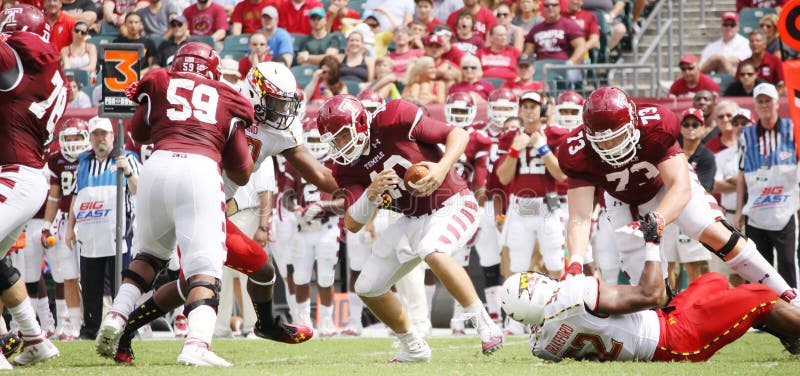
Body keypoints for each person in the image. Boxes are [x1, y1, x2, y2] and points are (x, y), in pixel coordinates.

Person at [100, 60, 336, 365]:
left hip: (210, 208)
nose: (281, 111)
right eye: (275, 102)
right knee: (195, 282)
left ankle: (264, 325)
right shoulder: (224, 102)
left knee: (260, 271)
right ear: (255, 93)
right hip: (196, 201)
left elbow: (318, 173)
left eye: (283, 103)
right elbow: (241, 172)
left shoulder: (277, 127)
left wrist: (358, 183)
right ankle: (136, 330)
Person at [558, 86, 800, 308]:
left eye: (618, 136)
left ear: (632, 123)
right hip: (622, 200)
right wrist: (577, 261)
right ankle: (667, 323)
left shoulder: (656, 123)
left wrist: (659, 218)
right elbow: (579, 217)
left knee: (711, 230)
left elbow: (680, 187)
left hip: (667, 184)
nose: (611, 145)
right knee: (649, 287)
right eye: (604, 140)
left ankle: (787, 294)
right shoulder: (576, 151)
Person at [95, 42, 253, 367]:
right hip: (199, 169)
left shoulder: (162, 81)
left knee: (149, 255)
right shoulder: (224, 93)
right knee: (205, 268)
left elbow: (139, 134)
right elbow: (242, 166)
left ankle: (116, 314)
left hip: (157, 164)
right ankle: (196, 343)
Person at [317, 94, 504, 362]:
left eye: (343, 136)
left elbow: (458, 134)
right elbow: (352, 223)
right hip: (411, 217)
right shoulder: (346, 168)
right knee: (368, 286)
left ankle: (486, 324)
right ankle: (413, 346)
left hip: (453, 202)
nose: (339, 146)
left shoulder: (394, 117)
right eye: (333, 141)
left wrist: (441, 168)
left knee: (432, 249)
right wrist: (371, 194)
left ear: (359, 123)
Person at [501, 248, 800, 362]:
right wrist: (652, 243)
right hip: (673, 339)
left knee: (712, 282)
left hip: (659, 324)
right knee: (758, 295)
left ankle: (788, 334)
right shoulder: (570, 296)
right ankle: (793, 332)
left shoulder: (539, 344)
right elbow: (650, 295)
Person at [0, 4, 67, 367]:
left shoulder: (14, 55)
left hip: (14, 171)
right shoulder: (52, 70)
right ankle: (35, 338)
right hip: (29, 173)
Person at [65, 116, 140, 340]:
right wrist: (70, 226)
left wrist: (127, 171)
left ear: (112, 136)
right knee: (90, 284)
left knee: (122, 282)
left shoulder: (128, 157)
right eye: (96, 134)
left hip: (118, 230)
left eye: (104, 134)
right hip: (90, 230)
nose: (100, 139)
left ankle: (125, 327)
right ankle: (90, 329)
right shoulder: (84, 163)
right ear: (90, 137)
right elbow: (77, 196)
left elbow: (139, 190)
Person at [495, 91, 567, 282]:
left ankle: (558, 307)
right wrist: (514, 151)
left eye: (533, 106)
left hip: (547, 206)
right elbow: (503, 178)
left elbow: (561, 174)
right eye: (525, 107)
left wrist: (543, 148)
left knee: (555, 263)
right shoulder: (511, 137)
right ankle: (519, 310)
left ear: (542, 109)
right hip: (520, 206)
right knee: (518, 264)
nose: (528, 111)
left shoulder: (554, 135)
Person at [735, 83, 799, 290]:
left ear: (776, 102)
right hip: (756, 212)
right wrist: (738, 211)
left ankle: (794, 311)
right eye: (760, 101)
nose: (764, 105)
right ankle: (764, 316)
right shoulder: (746, 134)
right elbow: (742, 173)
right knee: (759, 268)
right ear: (755, 105)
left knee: (788, 263)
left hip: (785, 209)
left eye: (768, 100)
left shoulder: (794, 128)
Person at [285, 120, 344, 336]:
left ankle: (326, 322)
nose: (316, 144)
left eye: (319, 139)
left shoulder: (337, 162)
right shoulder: (298, 162)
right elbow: (287, 195)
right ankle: (303, 321)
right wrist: (296, 209)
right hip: (303, 228)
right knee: (300, 277)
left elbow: (346, 200)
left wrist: (323, 205)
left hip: (327, 226)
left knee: (326, 277)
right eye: (311, 140)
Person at [42, 119, 90, 341]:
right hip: (64, 221)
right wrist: (46, 225)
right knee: (68, 275)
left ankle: (92, 319)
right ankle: (72, 323)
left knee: (90, 275)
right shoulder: (56, 160)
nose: (71, 143)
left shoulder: (92, 158)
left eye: (76, 137)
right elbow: (54, 195)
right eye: (68, 138)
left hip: (90, 216)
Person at [663, 108, 714, 287]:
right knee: (666, 267)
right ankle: (670, 308)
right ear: (681, 128)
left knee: (693, 267)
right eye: (686, 124)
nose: (691, 128)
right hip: (669, 215)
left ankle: (696, 310)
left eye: (695, 124)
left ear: (703, 127)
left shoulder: (707, 156)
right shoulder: (671, 150)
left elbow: (704, 188)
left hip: (691, 214)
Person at [523, 0, 585, 82]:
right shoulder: (535, 29)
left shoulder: (569, 25)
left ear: (559, 7)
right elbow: (528, 52)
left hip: (565, 66)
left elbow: (581, 47)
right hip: (542, 68)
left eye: (554, 5)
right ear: (542, 9)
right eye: (547, 5)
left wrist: (570, 63)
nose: (550, 8)